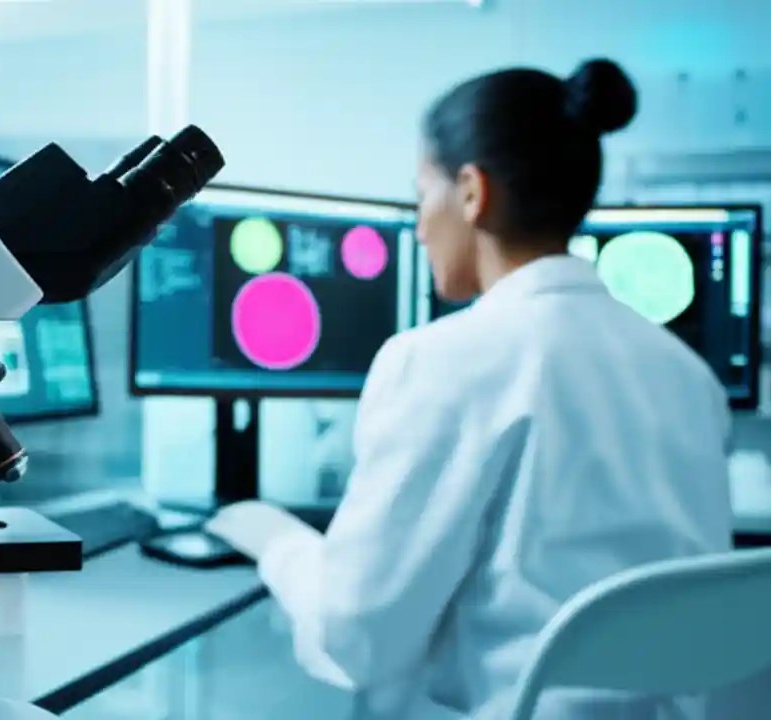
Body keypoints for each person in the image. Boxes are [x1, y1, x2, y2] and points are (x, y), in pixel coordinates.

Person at [208, 58, 733, 719]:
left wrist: (272, 540)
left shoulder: (443, 362)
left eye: (421, 195)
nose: (419, 227)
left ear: (471, 192)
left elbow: (356, 640)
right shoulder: (688, 377)